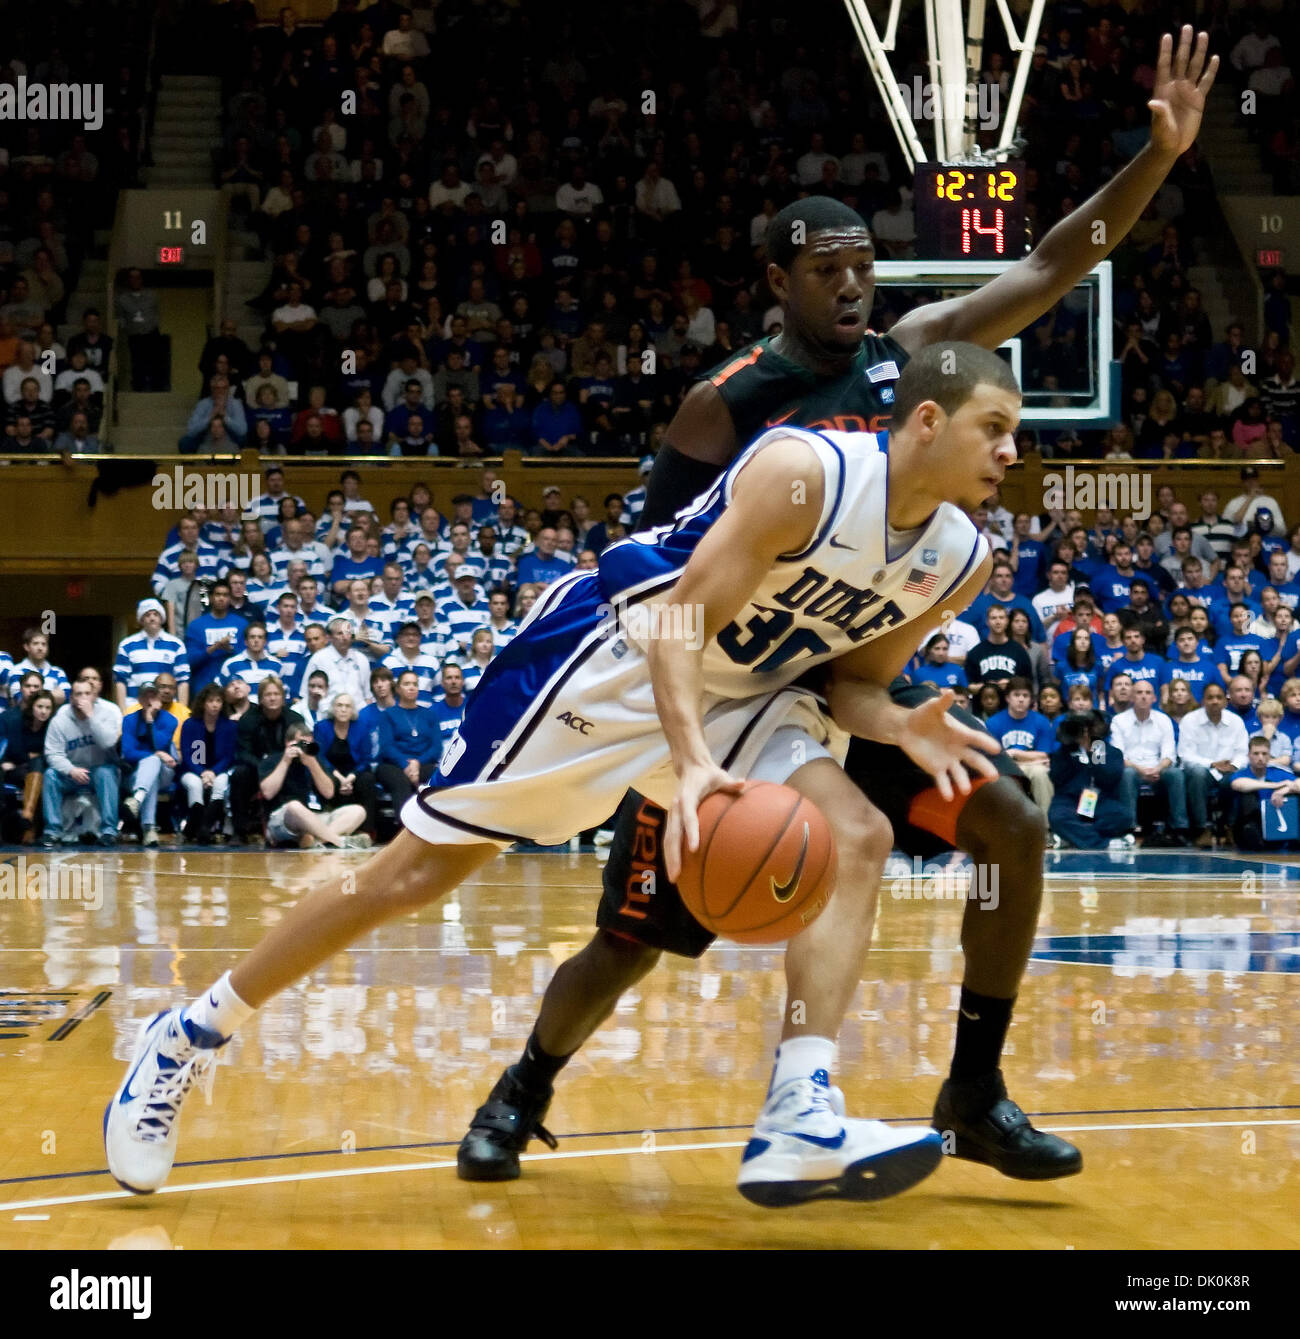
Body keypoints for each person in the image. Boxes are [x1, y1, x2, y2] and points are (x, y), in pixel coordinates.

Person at [104, 340, 1025, 1206]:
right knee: (409, 875)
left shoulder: (959, 558)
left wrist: (901, 722)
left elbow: (851, 683)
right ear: (930, 422)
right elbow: (673, 623)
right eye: (997, 427)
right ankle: (189, 1031)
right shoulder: (806, 474)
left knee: (857, 832)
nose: (1012, 451)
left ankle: (799, 1108)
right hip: (613, 657)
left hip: (746, 692)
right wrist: (691, 761)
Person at [260, 716, 370, 851]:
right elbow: (268, 793)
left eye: (307, 744)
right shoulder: (273, 760)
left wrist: (312, 764)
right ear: (287, 742)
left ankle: (315, 840)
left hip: (315, 817)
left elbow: (329, 793)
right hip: (283, 818)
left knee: (358, 811)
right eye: (299, 743)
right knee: (295, 807)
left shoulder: (314, 760)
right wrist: (285, 762)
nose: (302, 748)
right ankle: (340, 841)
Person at [42, 677, 122, 847]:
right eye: (79, 694)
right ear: (72, 698)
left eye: (87, 693)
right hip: (72, 773)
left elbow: (108, 743)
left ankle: (109, 831)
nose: (83, 698)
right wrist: (71, 770)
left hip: (99, 771)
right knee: (50, 775)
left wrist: (91, 717)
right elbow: (52, 753)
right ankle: (52, 831)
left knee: (106, 773)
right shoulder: (60, 720)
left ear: (94, 696)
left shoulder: (106, 715)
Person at [1111, 679, 1188, 844]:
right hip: (1133, 769)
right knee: (1127, 773)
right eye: (1139, 693)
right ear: (1132, 697)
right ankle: (1129, 829)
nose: (1143, 697)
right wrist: (1142, 770)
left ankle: (1179, 828)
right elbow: (1119, 756)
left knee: (1175, 774)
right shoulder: (1119, 721)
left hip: (1158, 771)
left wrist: (1157, 769)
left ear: (1154, 698)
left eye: (1148, 693)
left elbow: (1169, 756)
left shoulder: (1163, 720)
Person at [1048, 711, 1131, 849]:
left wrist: (1091, 751)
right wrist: (1069, 748)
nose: (1082, 733)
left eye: (1086, 728)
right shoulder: (1063, 751)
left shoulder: (1109, 751)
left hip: (1100, 800)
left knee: (1123, 817)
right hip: (1069, 800)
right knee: (1057, 818)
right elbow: (1057, 778)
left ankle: (1072, 838)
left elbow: (1109, 778)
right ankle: (1104, 843)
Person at [120, 682, 181, 847]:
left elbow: (160, 744)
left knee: (153, 765)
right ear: (139, 699)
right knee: (152, 767)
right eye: (145, 695)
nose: (149, 699)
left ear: (159, 698)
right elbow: (128, 753)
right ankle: (149, 828)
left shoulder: (170, 720)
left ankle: (136, 802)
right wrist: (155, 755)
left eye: (152, 695)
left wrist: (149, 721)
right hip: (135, 774)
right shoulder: (129, 720)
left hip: (165, 774)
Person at [984, 676, 1055, 811]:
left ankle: (1047, 825)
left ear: (1031, 699)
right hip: (1005, 768)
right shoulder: (993, 723)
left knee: (1040, 773)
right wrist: (1028, 757)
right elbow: (995, 756)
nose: (1021, 699)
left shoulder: (1041, 722)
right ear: (1007, 698)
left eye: (1025, 695)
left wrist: (1015, 753)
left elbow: (1044, 755)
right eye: (1016, 695)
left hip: (1033, 767)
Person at [375, 668, 442, 811]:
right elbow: (387, 747)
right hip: (393, 765)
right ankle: (404, 828)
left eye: (414, 684)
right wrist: (406, 765)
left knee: (437, 777)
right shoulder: (388, 714)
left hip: (423, 763)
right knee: (400, 781)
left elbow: (436, 748)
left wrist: (417, 764)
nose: (411, 687)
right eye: (406, 684)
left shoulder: (430, 715)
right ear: (398, 689)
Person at [178, 684, 237, 845]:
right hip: (193, 770)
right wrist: (202, 772)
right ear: (203, 703)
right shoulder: (190, 724)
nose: (215, 704)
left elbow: (228, 756)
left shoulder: (230, 726)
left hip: (219, 770)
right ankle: (198, 827)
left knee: (221, 783)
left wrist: (213, 772)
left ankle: (201, 829)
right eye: (211, 700)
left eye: (218, 700)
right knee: (194, 784)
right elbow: (187, 755)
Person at [314, 693, 379, 838]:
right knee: (321, 776)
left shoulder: (361, 728)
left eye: (347, 706)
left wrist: (350, 778)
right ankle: (330, 826)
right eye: (339, 705)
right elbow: (320, 757)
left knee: (368, 779)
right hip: (331, 772)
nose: (343, 709)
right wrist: (339, 778)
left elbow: (366, 759)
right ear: (333, 709)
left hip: (353, 774)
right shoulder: (321, 727)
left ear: (352, 711)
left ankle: (366, 830)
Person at [1229, 736, 1300, 850]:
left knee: (1293, 794)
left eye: (1264, 754)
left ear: (1269, 756)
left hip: (1277, 822)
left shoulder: (1278, 773)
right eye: (1256, 754)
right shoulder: (1242, 774)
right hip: (1251, 826)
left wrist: (1284, 790)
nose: (1260, 758)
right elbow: (1237, 784)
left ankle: (1289, 841)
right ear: (1249, 755)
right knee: (1248, 796)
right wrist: (1276, 786)